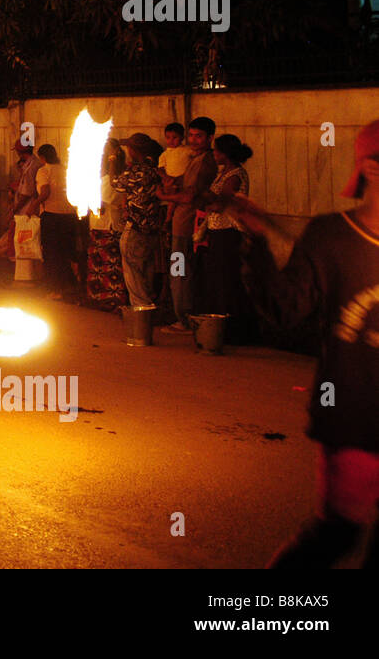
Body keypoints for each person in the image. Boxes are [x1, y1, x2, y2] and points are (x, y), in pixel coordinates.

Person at [231, 119, 379, 568]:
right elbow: (285, 309)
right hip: (354, 416)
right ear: (372, 168)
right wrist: (256, 241)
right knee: (337, 532)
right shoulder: (331, 236)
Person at [195, 133, 257, 344]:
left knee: (226, 282)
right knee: (218, 281)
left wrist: (204, 198)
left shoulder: (235, 175)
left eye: (216, 150)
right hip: (218, 232)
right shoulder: (225, 173)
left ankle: (231, 331)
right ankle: (220, 328)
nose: (213, 154)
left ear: (224, 154)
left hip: (229, 234)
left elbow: (222, 203)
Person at [158, 116, 218, 332]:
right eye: (191, 135)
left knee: (180, 271)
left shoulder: (205, 161)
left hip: (186, 227)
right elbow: (182, 182)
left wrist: (163, 196)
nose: (193, 140)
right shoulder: (195, 158)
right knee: (180, 271)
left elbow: (189, 196)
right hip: (181, 224)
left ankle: (183, 318)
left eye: (198, 136)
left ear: (210, 138)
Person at [113, 132, 167, 308]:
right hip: (152, 226)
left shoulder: (137, 170)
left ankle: (141, 308)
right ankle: (149, 303)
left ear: (133, 150)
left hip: (136, 226)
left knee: (132, 270)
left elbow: (116, 184)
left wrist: (112, 161)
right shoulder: (154, 168)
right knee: (147, 267)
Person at [86, 139, 128, 311]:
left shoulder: (115, 179)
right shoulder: (104, 178)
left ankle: (112, 299)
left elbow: (106, 199)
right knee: (100, 264)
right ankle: (99, 297)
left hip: (109, 226)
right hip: (101, 224)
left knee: (110, 265)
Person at [35, 143, 78, 301]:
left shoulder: (44, 170)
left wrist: (34, 204)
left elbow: (45, 192)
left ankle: (55, 289)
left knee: (52, 254)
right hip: (70, 215)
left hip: (51, 215)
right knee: (66, 252)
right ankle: (70, 287)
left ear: (43, 157)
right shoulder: (66, 170)